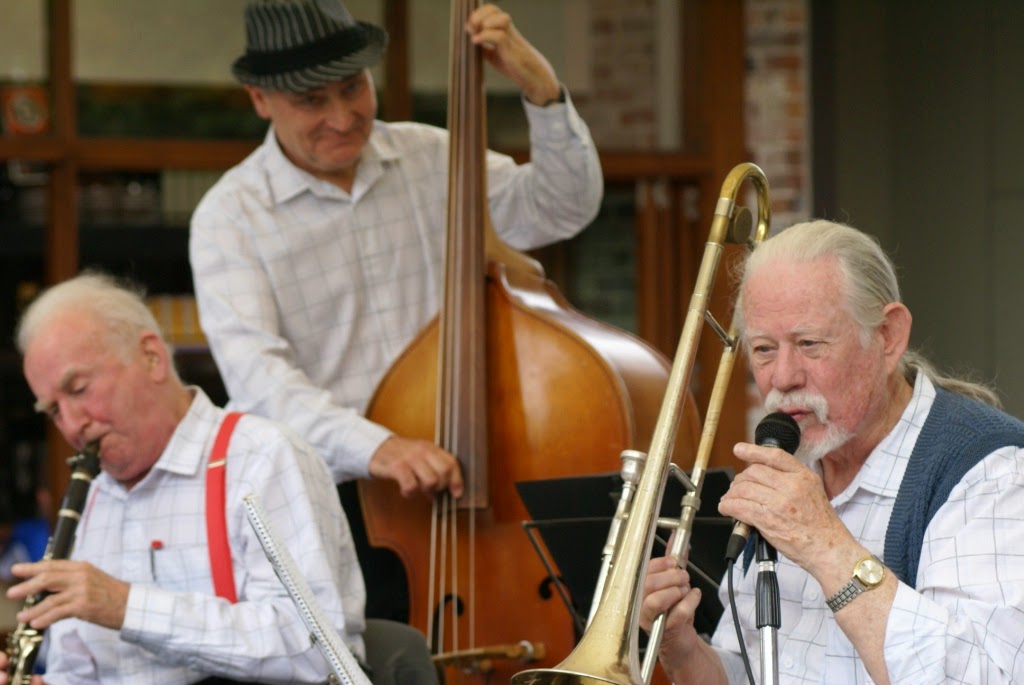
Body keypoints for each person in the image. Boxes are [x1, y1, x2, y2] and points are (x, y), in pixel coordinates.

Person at [189, 0, 603, 619]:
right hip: (341, 503)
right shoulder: (229, 219)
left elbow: (563, 207)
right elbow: (260, 382)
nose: (342, 116)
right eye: (311, 102)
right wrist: (378, 447)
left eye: (353, 87)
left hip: (476, 474)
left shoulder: (432, 157)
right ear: (259, 99)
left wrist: (540, 88)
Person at [641, 220, 1024, 684]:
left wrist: (823, 544)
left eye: (809, 344)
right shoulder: (791, 462)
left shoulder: (991, 470)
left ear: (887, 336)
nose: (783, 377)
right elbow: (752, 671)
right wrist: (682, 649)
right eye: (763, 349)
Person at [0, 272, 365, 685]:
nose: (72, 425)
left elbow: (319, 651)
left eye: (79, 389)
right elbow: (79, 673)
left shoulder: (262, 458)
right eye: (53, 410)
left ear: (152, 357)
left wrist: (124, 605)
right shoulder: (90, 498)